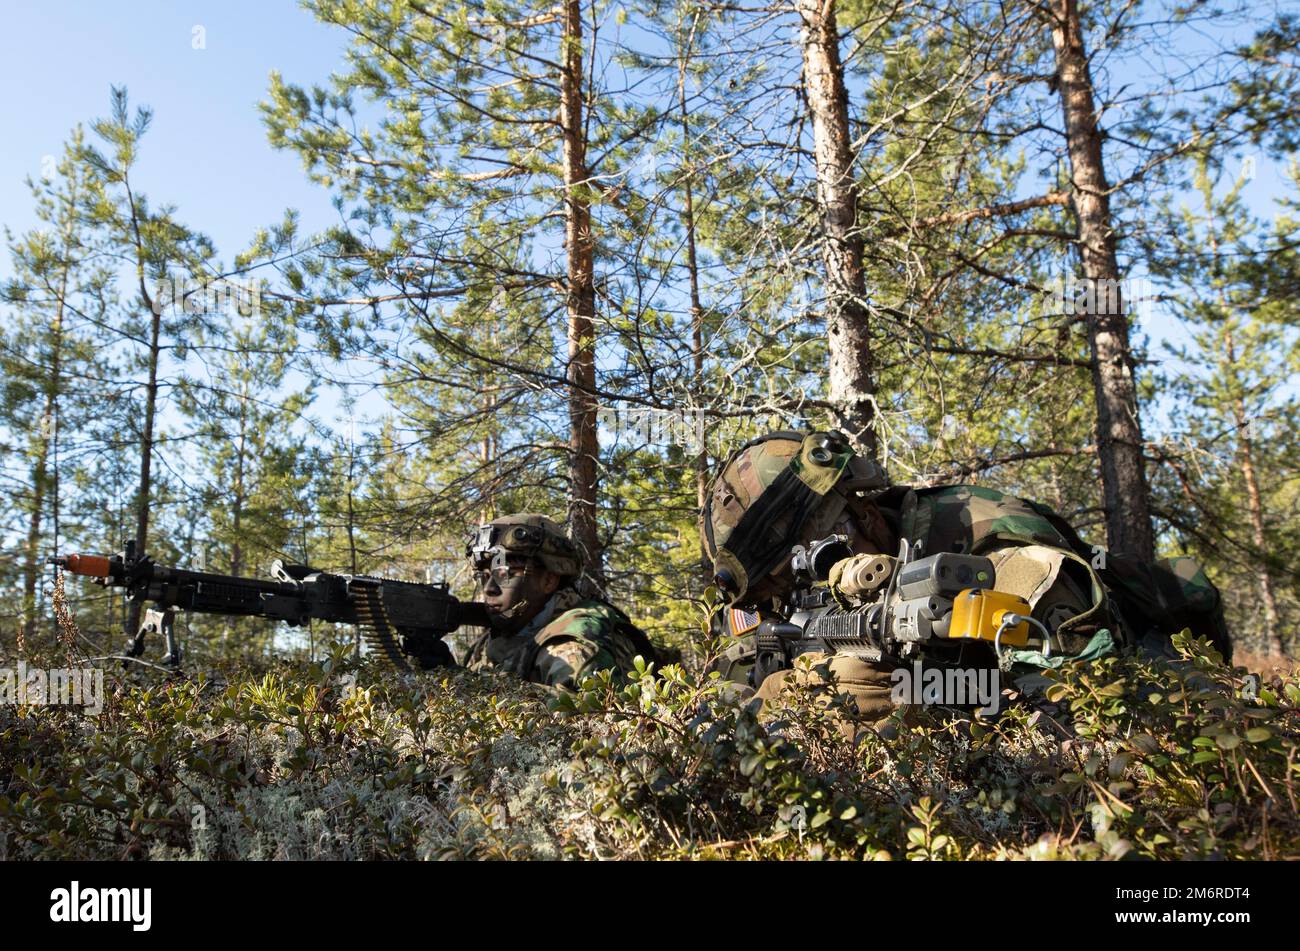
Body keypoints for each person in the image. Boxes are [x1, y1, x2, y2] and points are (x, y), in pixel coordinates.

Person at [702, 430, 1231, 733]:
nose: (808, 592)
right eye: (780, 590)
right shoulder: (785, 608)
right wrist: (775, 705)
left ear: (855, 511)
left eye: (819, 558)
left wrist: (920, 701)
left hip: (1173, 698)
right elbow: (725, 694)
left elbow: (1091, 712)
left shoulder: (988, 537)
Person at [462, 513, 656, 690]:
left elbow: (583, 721)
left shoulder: (573, 648)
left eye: (505, 574)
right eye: (485, 576)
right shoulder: (497, 639)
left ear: (548, 580)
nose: (489, 588)